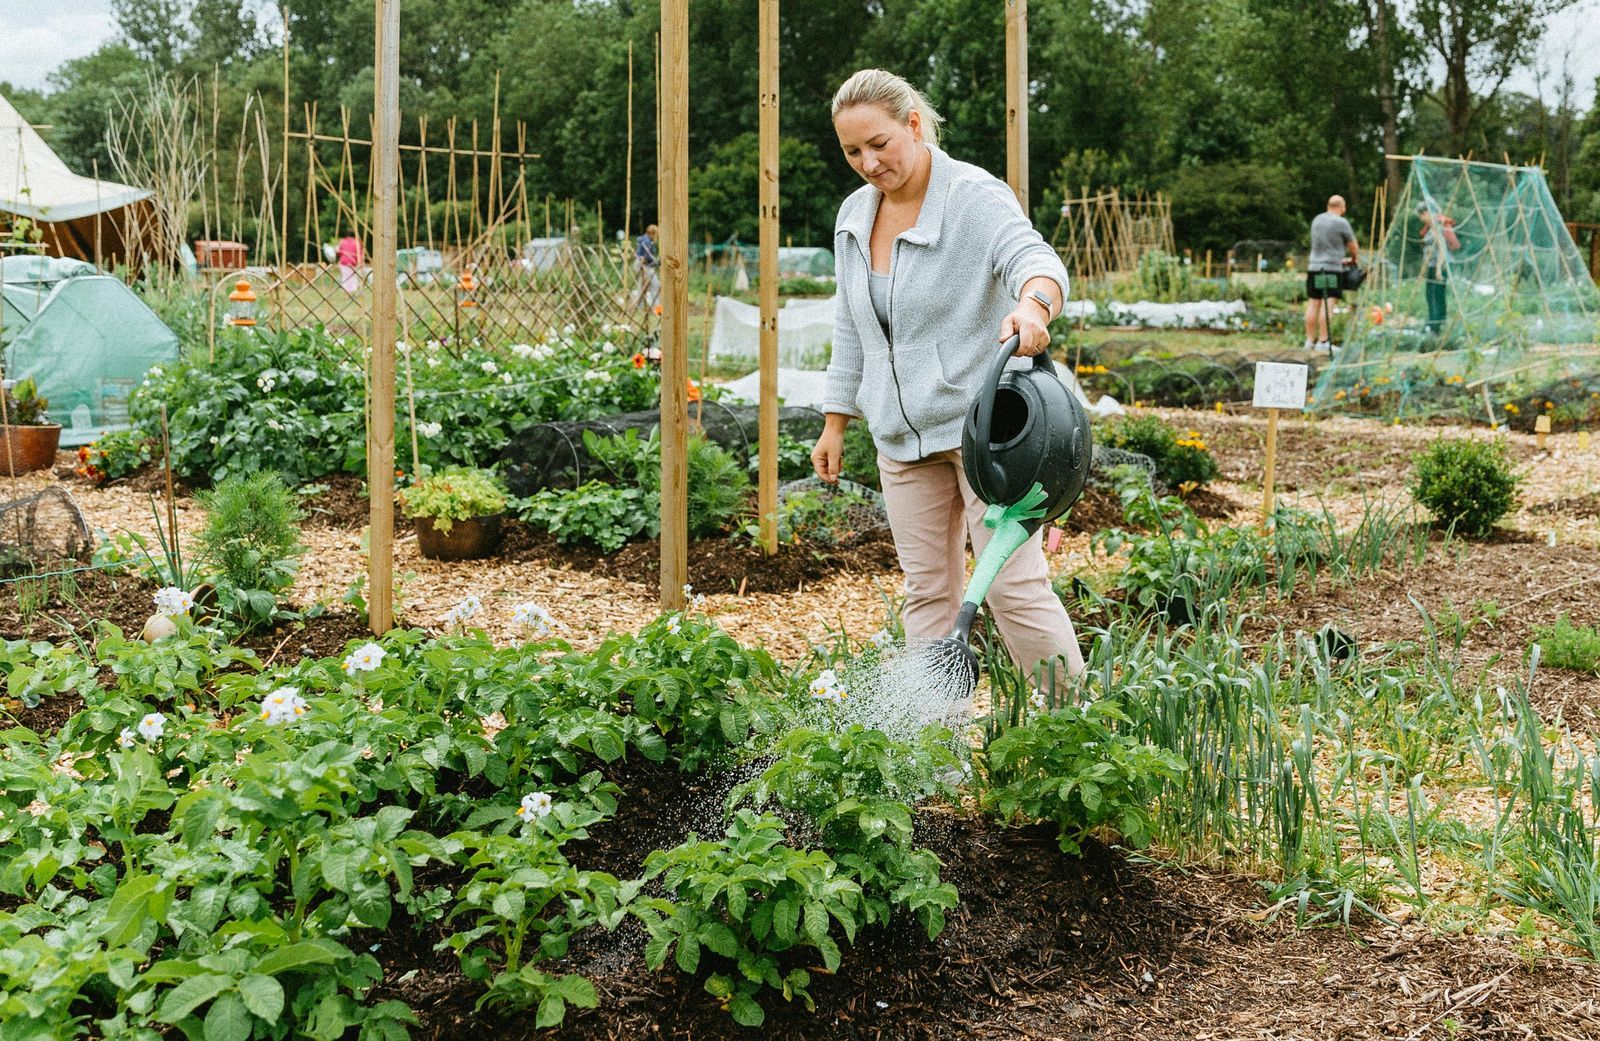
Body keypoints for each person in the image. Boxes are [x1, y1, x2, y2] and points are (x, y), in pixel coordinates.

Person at [810, 68, 1084, 687]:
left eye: (878, 144)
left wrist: (1033, 307)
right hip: (900, 441)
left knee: (1013, 587)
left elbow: (1035, 260)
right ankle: (938, 750)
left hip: (985, 434)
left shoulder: (972, 196)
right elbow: (851, 326)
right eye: (852, 150)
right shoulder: (855, 214)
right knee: (929, 595)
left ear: (913, 124)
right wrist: (835, 422)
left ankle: (1074, 725)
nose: (867, 162)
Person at [1304, 195, 1359, 352]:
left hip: (1314, 268)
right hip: (1331, 269)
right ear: (1342, 207)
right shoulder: (1341, 222)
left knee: (1313, 303)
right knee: (1328, 304)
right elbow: (1353, 245)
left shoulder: (1316, 220)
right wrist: (1353, 260)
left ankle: (1309, 341)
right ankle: (1323, 342)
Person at [1418, 204, 1459, 339]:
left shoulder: (1436, 225)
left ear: (1426, 213)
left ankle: (1436, 327)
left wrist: (1438, 270)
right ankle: (1435, 323)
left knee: (1435, 296)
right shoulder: (1430, 226)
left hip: (1438, 266)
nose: (1421, 219)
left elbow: (1442, 249)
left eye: (1421, 215)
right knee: (1432, 295)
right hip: (1432, 266)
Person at [634, 223, 660, 310]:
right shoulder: (647, 242)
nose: (657, 237)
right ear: (652, 233)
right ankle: (656, 306)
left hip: (641, 264)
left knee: (642, 286)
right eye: (656, 234)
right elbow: (647, 257)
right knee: (655, 285)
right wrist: (657, 262)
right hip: (643, 266)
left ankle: (640, 306)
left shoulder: (644, 239)